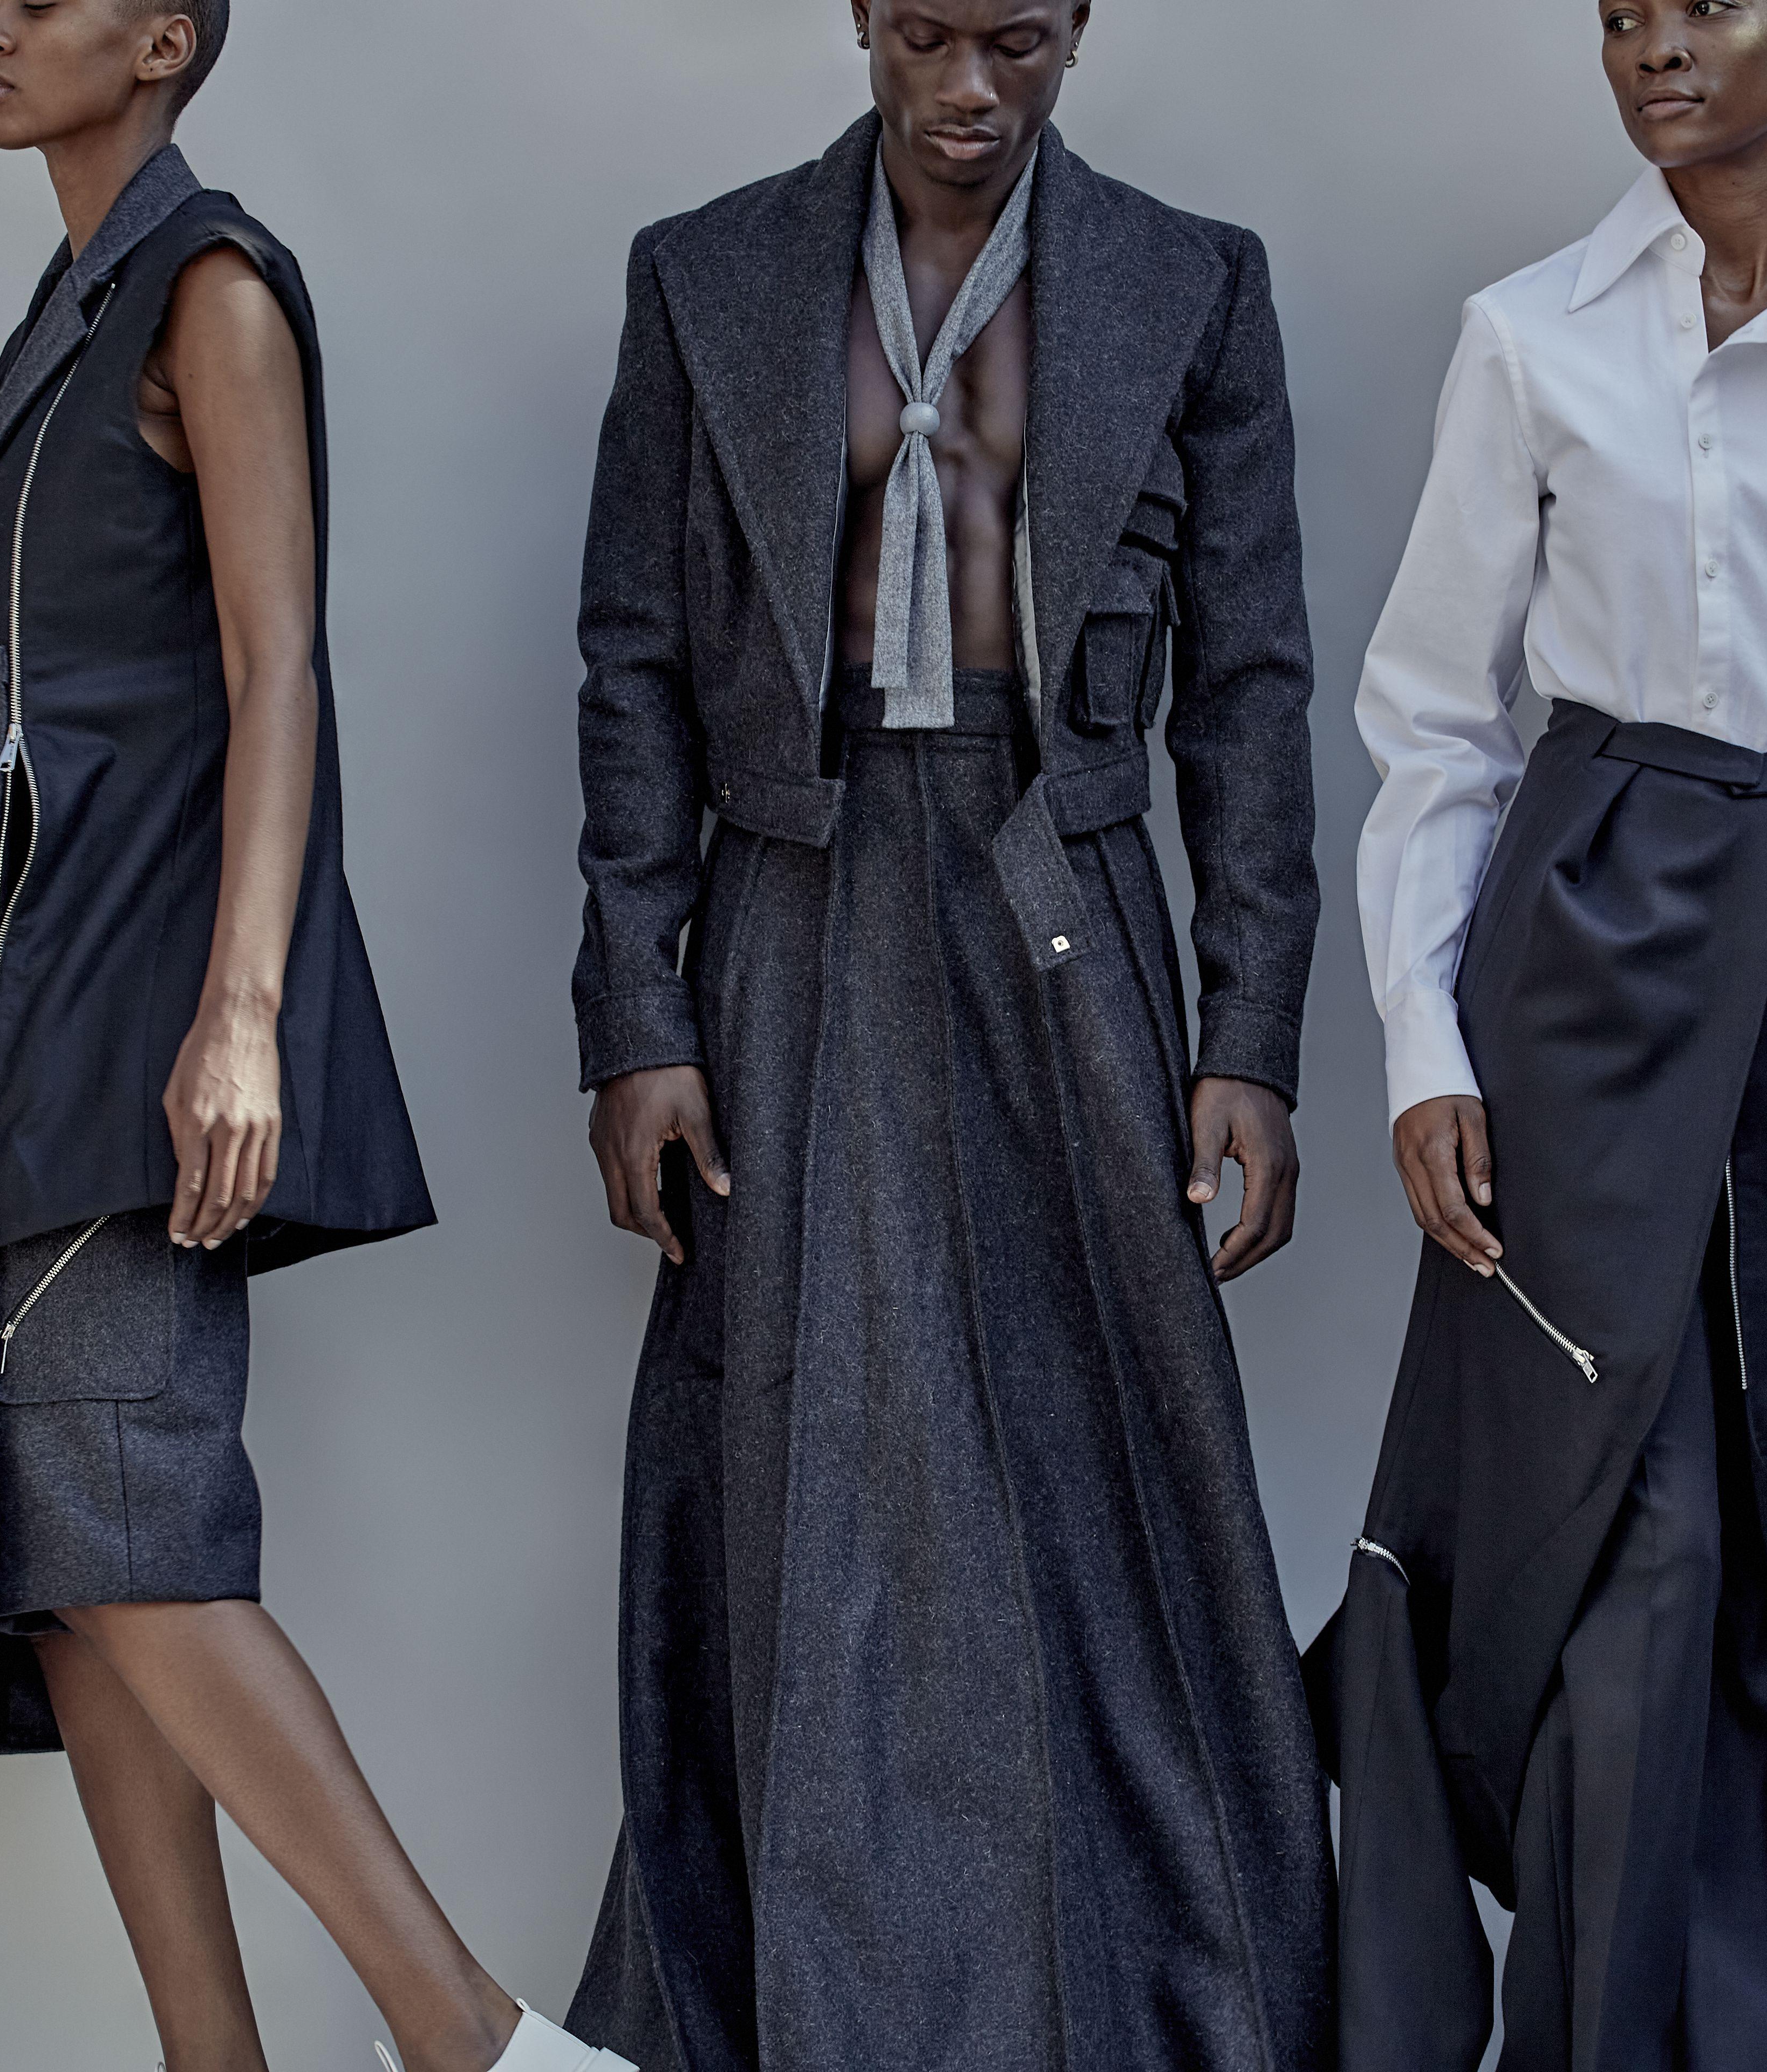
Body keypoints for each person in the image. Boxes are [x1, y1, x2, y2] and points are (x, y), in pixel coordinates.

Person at [0, 6, 624, 2069]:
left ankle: (477, 2043)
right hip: (1, 1016)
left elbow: (281, 669)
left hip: (125, 1015)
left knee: (129, 1518)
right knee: (72, 1569)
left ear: (162, 41)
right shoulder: (69, 309)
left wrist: (242, 1014)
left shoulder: (215, 288)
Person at [562, 4, 1334, 2067]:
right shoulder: (704, 274)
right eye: (926, 33)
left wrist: (1251, 1035)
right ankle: (808, 2004)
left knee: (1107, 1460)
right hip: (790, 909)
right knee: (798, 1454)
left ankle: (1154, 1993)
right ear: (862, 23)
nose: (969, 87)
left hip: (1059, 908)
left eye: (1016, 38)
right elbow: (631, 664)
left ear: (1080, 29)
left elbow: (1251, 688)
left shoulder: (1193, 284)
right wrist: (636, 1012)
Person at [1318, 3, 1767, 2068]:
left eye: (1703, 7)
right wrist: (1423, 1047)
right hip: (1576, 984)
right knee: (1617, 1538)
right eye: (1619, 15)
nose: (1652, 46)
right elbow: (1436, 724)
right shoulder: (1530, 335)